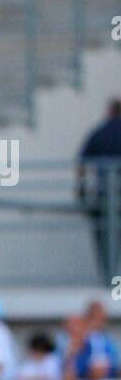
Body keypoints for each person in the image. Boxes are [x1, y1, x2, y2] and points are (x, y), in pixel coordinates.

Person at [77, 100, 121, 278]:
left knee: (105, 242)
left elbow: (81, 163)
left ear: (109, 112)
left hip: (104, 199)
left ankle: (110, 280)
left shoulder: (99, 133)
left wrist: (82, 191)